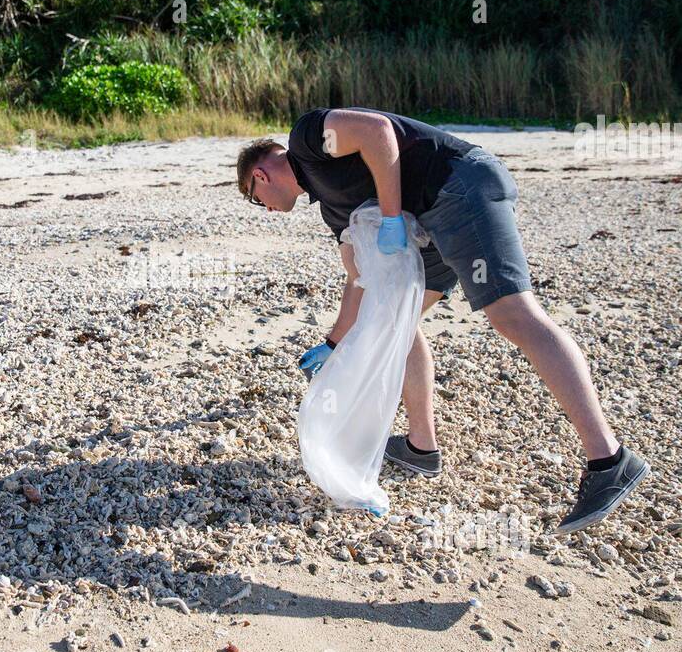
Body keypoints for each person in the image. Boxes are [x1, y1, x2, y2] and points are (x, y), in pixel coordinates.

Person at [236, 107, 649, 534]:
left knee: (512, 314)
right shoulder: (334, 208)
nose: (263, 208)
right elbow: (359, 279)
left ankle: (610, 461)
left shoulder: (308, 141)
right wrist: (334, 343)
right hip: (429, 222)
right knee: (399, 320)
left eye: (253, 198)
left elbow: (378, 132)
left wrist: (393, 218)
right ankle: (421, 447)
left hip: (457, 187)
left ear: (261, 176)